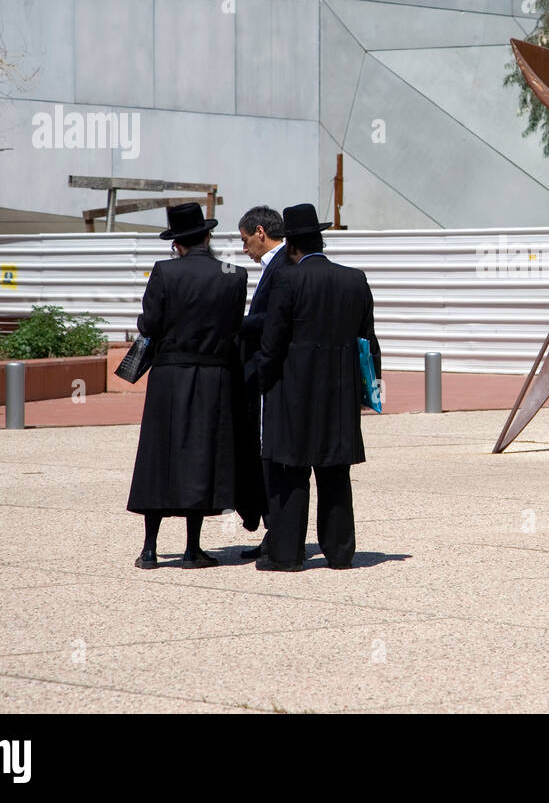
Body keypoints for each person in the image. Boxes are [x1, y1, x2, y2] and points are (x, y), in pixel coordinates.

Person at [253, 203, 381, 571]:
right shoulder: (354, 279)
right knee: (335, 474)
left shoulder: (286, 280)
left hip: (292, 391)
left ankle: (286, 554)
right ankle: (340, 553)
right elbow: (367, 342)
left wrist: (262, 379)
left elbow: (272, 342)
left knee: (289, 474)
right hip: (339, 392)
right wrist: (369, 391)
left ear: (291, 245)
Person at [127, 202, 248, 569]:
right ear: (207, 234)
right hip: (214, 374)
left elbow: (150, 324)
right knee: (201, 455)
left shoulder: (164, 272)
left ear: (176, 242)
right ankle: (192, 548)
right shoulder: (234, 274)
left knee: (159, 455)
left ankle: (150, 549)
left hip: (169, 374)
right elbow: (234, 327)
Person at [235, 205, 289, 558]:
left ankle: (278, 534)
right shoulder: (278, 264)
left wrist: (234, 324)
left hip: (274, 375)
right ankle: (272, 530)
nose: (243, 249)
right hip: (266, 371)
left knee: (271, 453)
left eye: (244, 240)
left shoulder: (283, 265)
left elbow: (275, 318)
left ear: (259, 232)